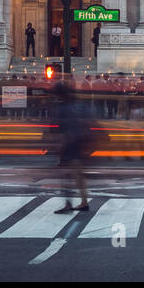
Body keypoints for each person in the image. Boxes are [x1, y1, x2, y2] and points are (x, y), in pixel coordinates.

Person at [53, 83, 92, 213]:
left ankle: (69, 203)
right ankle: (83, 202)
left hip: (69, 143)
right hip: (80, 141)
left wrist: (61, 145)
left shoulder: (63, 108)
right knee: (77, 174)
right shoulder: (79, 105)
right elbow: (88, 121)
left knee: (67, 174)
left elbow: (62, 129)